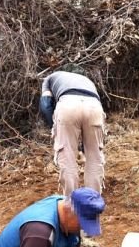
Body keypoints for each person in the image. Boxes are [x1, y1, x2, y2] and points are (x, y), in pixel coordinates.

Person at [39, 66, 107, 197]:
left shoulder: (50, 78)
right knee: (94, 157)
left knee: (67, 158)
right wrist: (83, 147)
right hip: (94, 107)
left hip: (67, 105)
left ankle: (71, 205)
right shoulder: (87, 80)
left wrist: (54, 127)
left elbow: (46, 104)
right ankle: (92, 204)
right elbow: (86, 112)